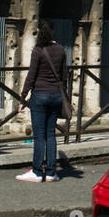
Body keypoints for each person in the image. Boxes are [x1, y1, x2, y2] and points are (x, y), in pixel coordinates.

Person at [17, 22, 68, 182]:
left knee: (39, 135)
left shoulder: (38, 51)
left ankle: (38, 171)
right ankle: (52, 172)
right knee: (50, 134)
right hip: (55, 96)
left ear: (40, 33)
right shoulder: (61, 50)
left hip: (40, 96)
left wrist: (22, 98)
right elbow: (64, 76)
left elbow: (31, 76)